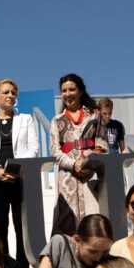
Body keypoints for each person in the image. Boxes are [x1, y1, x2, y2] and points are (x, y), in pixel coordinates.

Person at [0, 78, 40, 268]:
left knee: (21, 224)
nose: (11, 96)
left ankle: (22, 266)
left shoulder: (26, 119)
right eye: (6, 92)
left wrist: (18, 168)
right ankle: (2, 265)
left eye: (13, 93)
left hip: (20, 178)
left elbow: (34, 148)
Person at [50, 73, 108, 236]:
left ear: (80, 91)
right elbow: (54, 151)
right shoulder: (57, 120)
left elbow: (102, 143)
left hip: (92, 173)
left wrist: (90, 163)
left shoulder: (95, 115)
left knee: (94, 221)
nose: (67, 94)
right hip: (67, 176)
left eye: (71, 89)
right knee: (67, 223)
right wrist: (74, 164)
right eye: (64, 91)